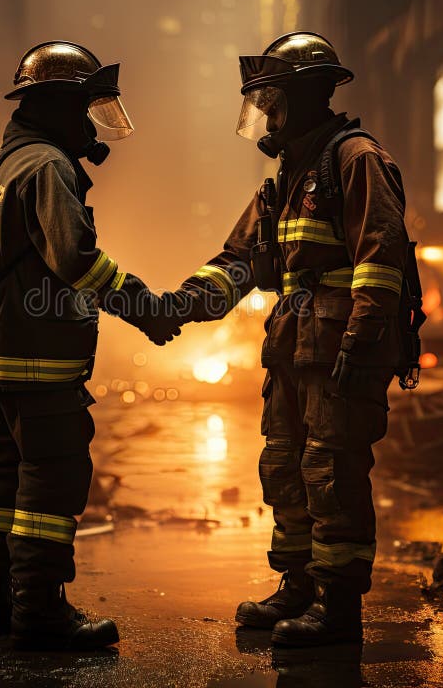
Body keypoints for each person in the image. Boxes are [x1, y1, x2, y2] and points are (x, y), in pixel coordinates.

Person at [171, 32, 409, 647]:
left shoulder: (354, 160)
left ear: (305, 96)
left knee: (332, 472)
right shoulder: (283, 181)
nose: (267, 115)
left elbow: (381, 261)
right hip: (292, 349)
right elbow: (238, 260)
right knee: (285, 467)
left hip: (336, 351)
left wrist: (360, 342)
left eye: (272, 101)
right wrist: (176, 306)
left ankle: (338, 607)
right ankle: (298, 587)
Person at [0, 41, 180, 650]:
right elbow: (76, 259)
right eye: (85, 108)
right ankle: (40, 613)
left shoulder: (6, 163)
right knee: (51, 481)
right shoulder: (47, 166)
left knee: (2, 478)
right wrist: (144, 307)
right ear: (58, 106)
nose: (91, 124)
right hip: (38, 359)